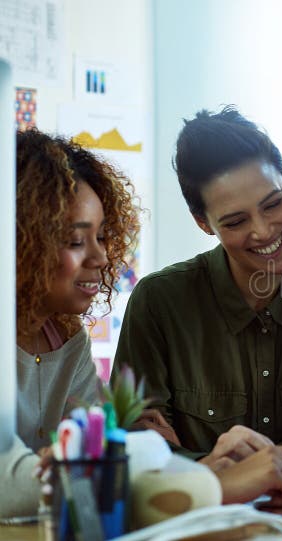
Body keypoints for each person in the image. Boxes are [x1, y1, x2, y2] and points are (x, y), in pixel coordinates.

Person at [115, 107, 282, 471]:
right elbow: (140, 448)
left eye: (273, 204)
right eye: (236, 221)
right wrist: (220, 472)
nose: (263, 231)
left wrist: (218, 466)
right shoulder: (158, 304)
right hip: (200, 506)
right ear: (203, 222)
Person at [1, 129, 140, 518]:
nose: (101, 257)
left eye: (101, 236)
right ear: (20, 243)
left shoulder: (67, 337)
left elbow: (89, 453)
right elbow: (8, 485)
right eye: (76, 241)